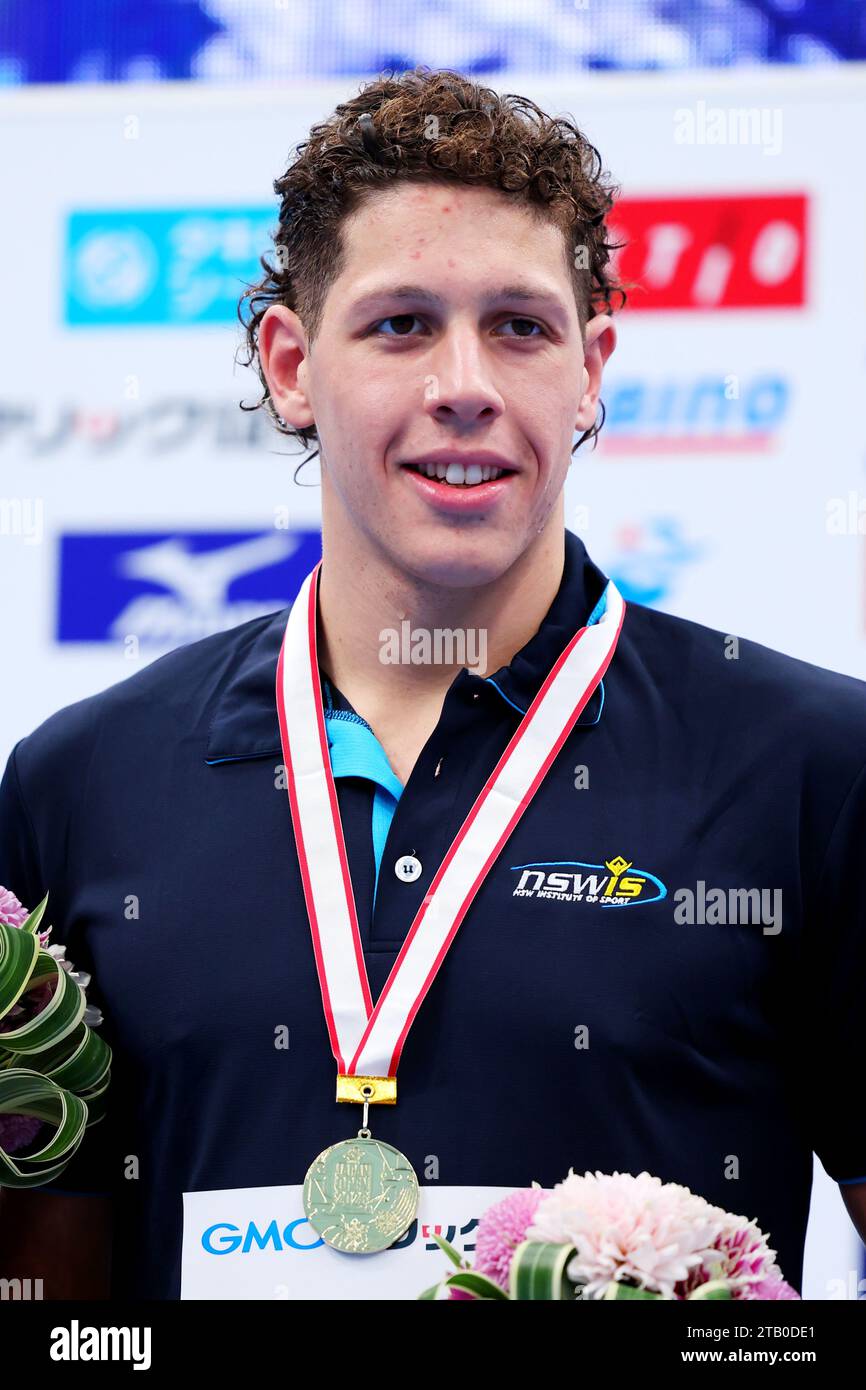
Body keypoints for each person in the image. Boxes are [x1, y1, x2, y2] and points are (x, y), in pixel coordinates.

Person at [1, 66, 864, 1301]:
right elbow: (48, 1294)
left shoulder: (811, 766)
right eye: (400, 323)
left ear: (589, 367)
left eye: (518, 326)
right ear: (292, 365)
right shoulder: (81, 778)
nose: (463, 383)